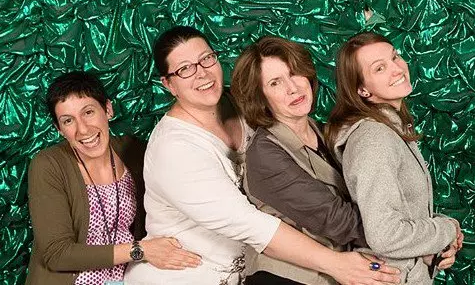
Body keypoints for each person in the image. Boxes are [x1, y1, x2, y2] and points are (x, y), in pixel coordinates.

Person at [124, 25, 401, 285]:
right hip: (187, 275)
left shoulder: (242, 105)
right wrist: (338, 263)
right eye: (184, 69)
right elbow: (251, 224)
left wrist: (409, 234)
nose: (202, 73)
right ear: (168, 84)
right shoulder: (174, 150)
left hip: (258, 266)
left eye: (206, 59)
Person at [27, 72, 201, 285]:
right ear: (59, 129)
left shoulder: (133, 151)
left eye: (89, 112)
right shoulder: (48, 165)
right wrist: (140, 250)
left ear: (107, 109)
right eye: (68, 121)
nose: (83, 129)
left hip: (130, 278)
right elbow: (57, 254)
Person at [324, 32, 464, 284]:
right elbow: (385, 235)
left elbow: (402, 214)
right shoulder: (373, 138)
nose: (397, 68)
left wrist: (435, 248)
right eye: (380, 68)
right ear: (362, 90)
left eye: (394, 57)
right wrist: (447, 230)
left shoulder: (391, 129)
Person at [230, 36, 368, 285]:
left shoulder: (325, 133)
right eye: (275, 83)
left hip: (341, 266)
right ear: (260, 98)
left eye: (294, 74)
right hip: (286, 277)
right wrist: (414, 241)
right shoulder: (265, 155)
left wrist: (426, 231)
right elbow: (337, 220)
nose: (292, 88)